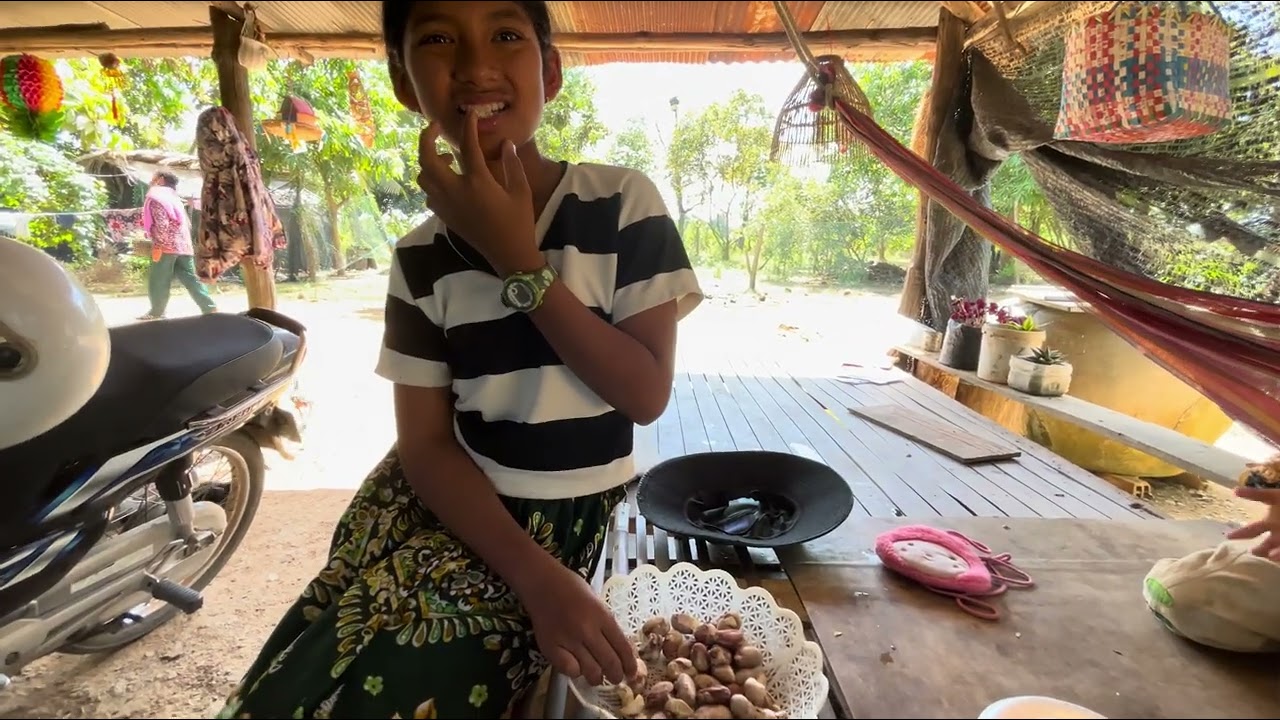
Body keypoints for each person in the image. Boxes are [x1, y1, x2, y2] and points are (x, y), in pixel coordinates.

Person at [216, 1, 704, 718]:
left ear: (551, 72)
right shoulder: (420, 256)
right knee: (301, 675)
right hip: (448, 503)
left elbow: (644, 393)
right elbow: (424, 444)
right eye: (440, 38)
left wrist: (517, 260)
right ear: (404, 83)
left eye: (506, 35)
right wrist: (532, 578)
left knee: (400, 680)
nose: (476, 66)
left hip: (564, 520)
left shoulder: (621, 204)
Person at [137, 170, 217, 320]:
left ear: (161, 180)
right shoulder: (175, 198)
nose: (151, 181)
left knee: (158, 279)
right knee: (191, 278)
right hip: (184, 246)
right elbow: (186, 224)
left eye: (154, 178)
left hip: (166, 246)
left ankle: (157, 312)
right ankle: (209, 307)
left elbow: (162, 223)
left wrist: (158, 243)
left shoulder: (156, 196)